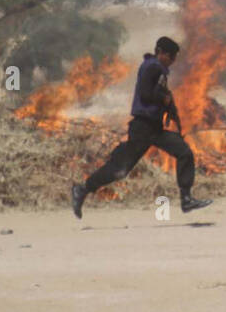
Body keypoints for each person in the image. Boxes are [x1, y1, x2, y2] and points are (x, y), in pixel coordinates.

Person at [71, 37, 212, 218]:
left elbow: (160, 93)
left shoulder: (157, 69)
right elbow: (146, 94)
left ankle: (186, 199)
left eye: (174, 58)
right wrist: (164, 100)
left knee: (184, 153)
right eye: (170, 57)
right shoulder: (152, 67)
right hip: (142, 128)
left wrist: (170, 110)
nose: (172, 61)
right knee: (119, 169)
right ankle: (82, 189)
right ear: (161, 53)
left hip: (154, 128)